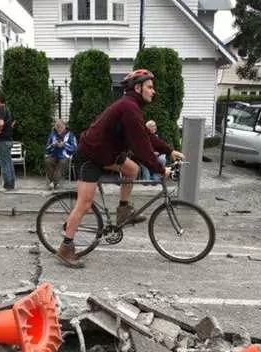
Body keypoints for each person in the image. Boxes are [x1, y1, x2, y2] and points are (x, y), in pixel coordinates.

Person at [56, 68, 185, 268]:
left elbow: (145, 135)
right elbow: (141, 146)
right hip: (90, 156)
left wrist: (169, 151)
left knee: (132, 169)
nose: (153, 91)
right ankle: (66, 247)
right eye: (150, 87)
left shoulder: (132, 107)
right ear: (138, 87)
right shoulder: (129, 107)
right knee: (84, 203)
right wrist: (161, 170)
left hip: (106, 153)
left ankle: (123, 210)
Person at [45, 119, 78, 189]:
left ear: (64, 126)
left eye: (60, 127)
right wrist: (53, 145)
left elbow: (75, 148)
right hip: (54, 155)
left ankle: (53, 183)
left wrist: (64, 145)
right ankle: (55, 183)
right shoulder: (52, 134)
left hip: (64, 156)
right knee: (47, 161)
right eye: (57, 127)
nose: (58, 129)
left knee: (62, 162)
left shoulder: (70, 135)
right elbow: (47, 148)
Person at [0, 92, 16, 191]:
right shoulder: (7, 109)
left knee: (4, 163)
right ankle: (11, 184)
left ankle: (7, 185)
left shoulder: (1, 110)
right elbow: (12, 123)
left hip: (3, 141)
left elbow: (1, 123)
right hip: (9, 139)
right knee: (9, 162)